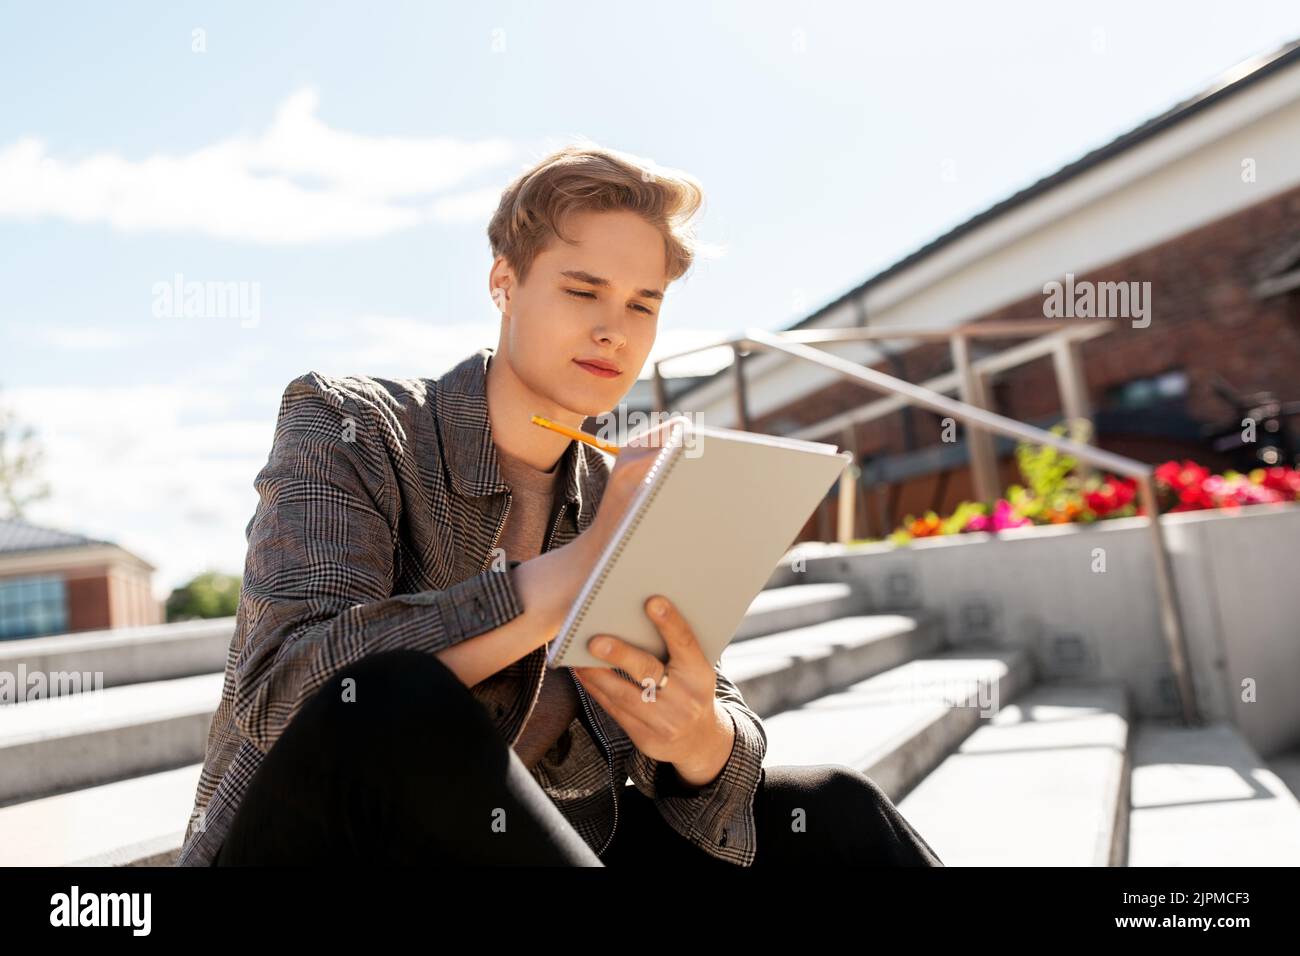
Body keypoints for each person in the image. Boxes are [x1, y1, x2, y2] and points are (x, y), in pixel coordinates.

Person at [179, 142, 943, 868]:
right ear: (504, 284)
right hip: (334, 846)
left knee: (838, 813)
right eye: (582, 291)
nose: (614, 330)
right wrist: (581, 567)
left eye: (644, 305)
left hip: (549, 841)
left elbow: (716, 718)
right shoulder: (352, 423)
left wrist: (699, 737)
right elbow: (292, 694)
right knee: (398, 689)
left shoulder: (620, 486)